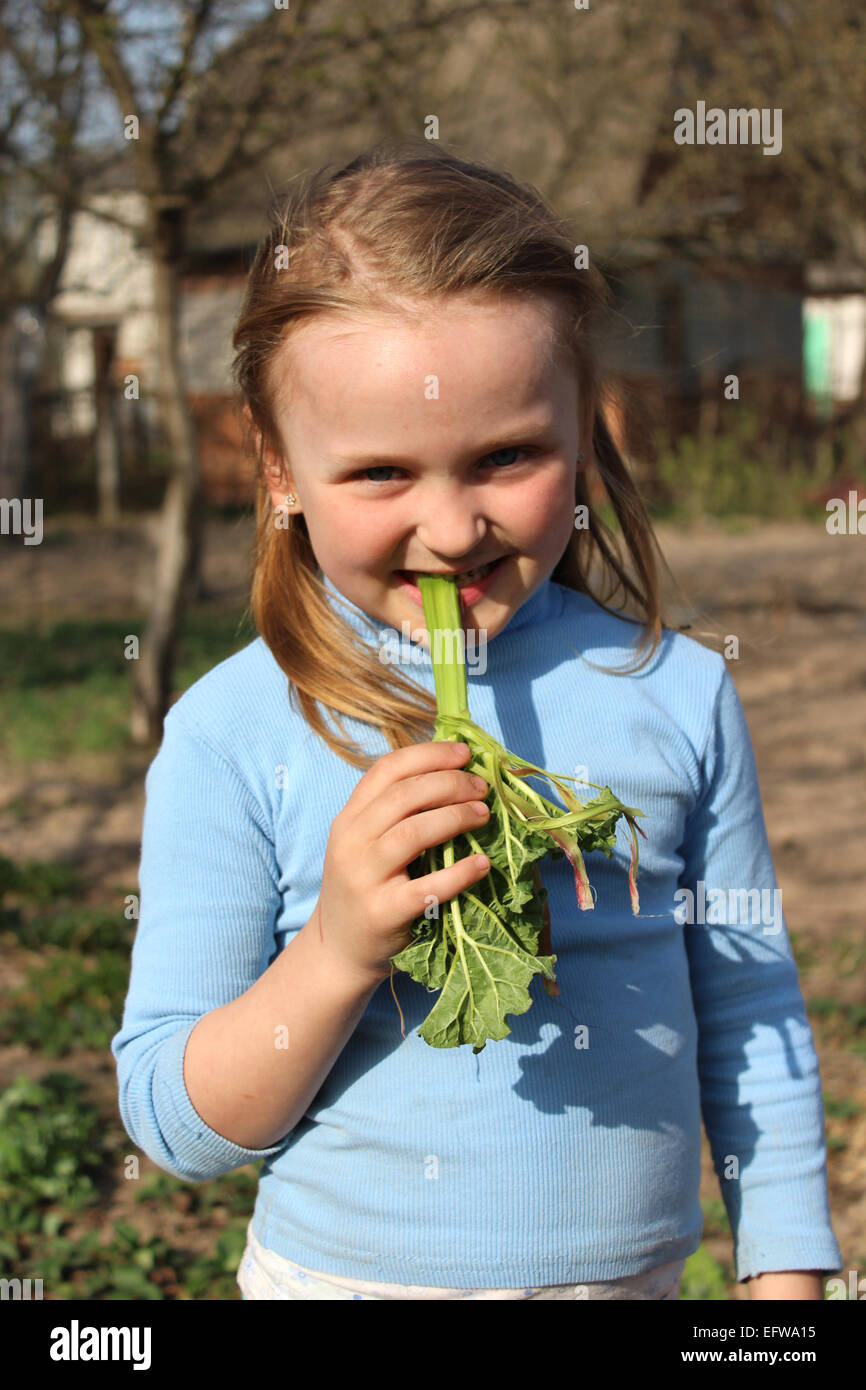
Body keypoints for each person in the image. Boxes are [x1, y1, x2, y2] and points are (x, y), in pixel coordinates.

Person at [111, 138, 842, 1301]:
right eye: (381, 475)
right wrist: (339, 949)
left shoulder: (674, 689)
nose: (451, 532)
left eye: (506, 456)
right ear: (279, 472)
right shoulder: (230, 730)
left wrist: (786, 1278)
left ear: (583, 436)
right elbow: (176, 1126)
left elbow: (748, 1001)